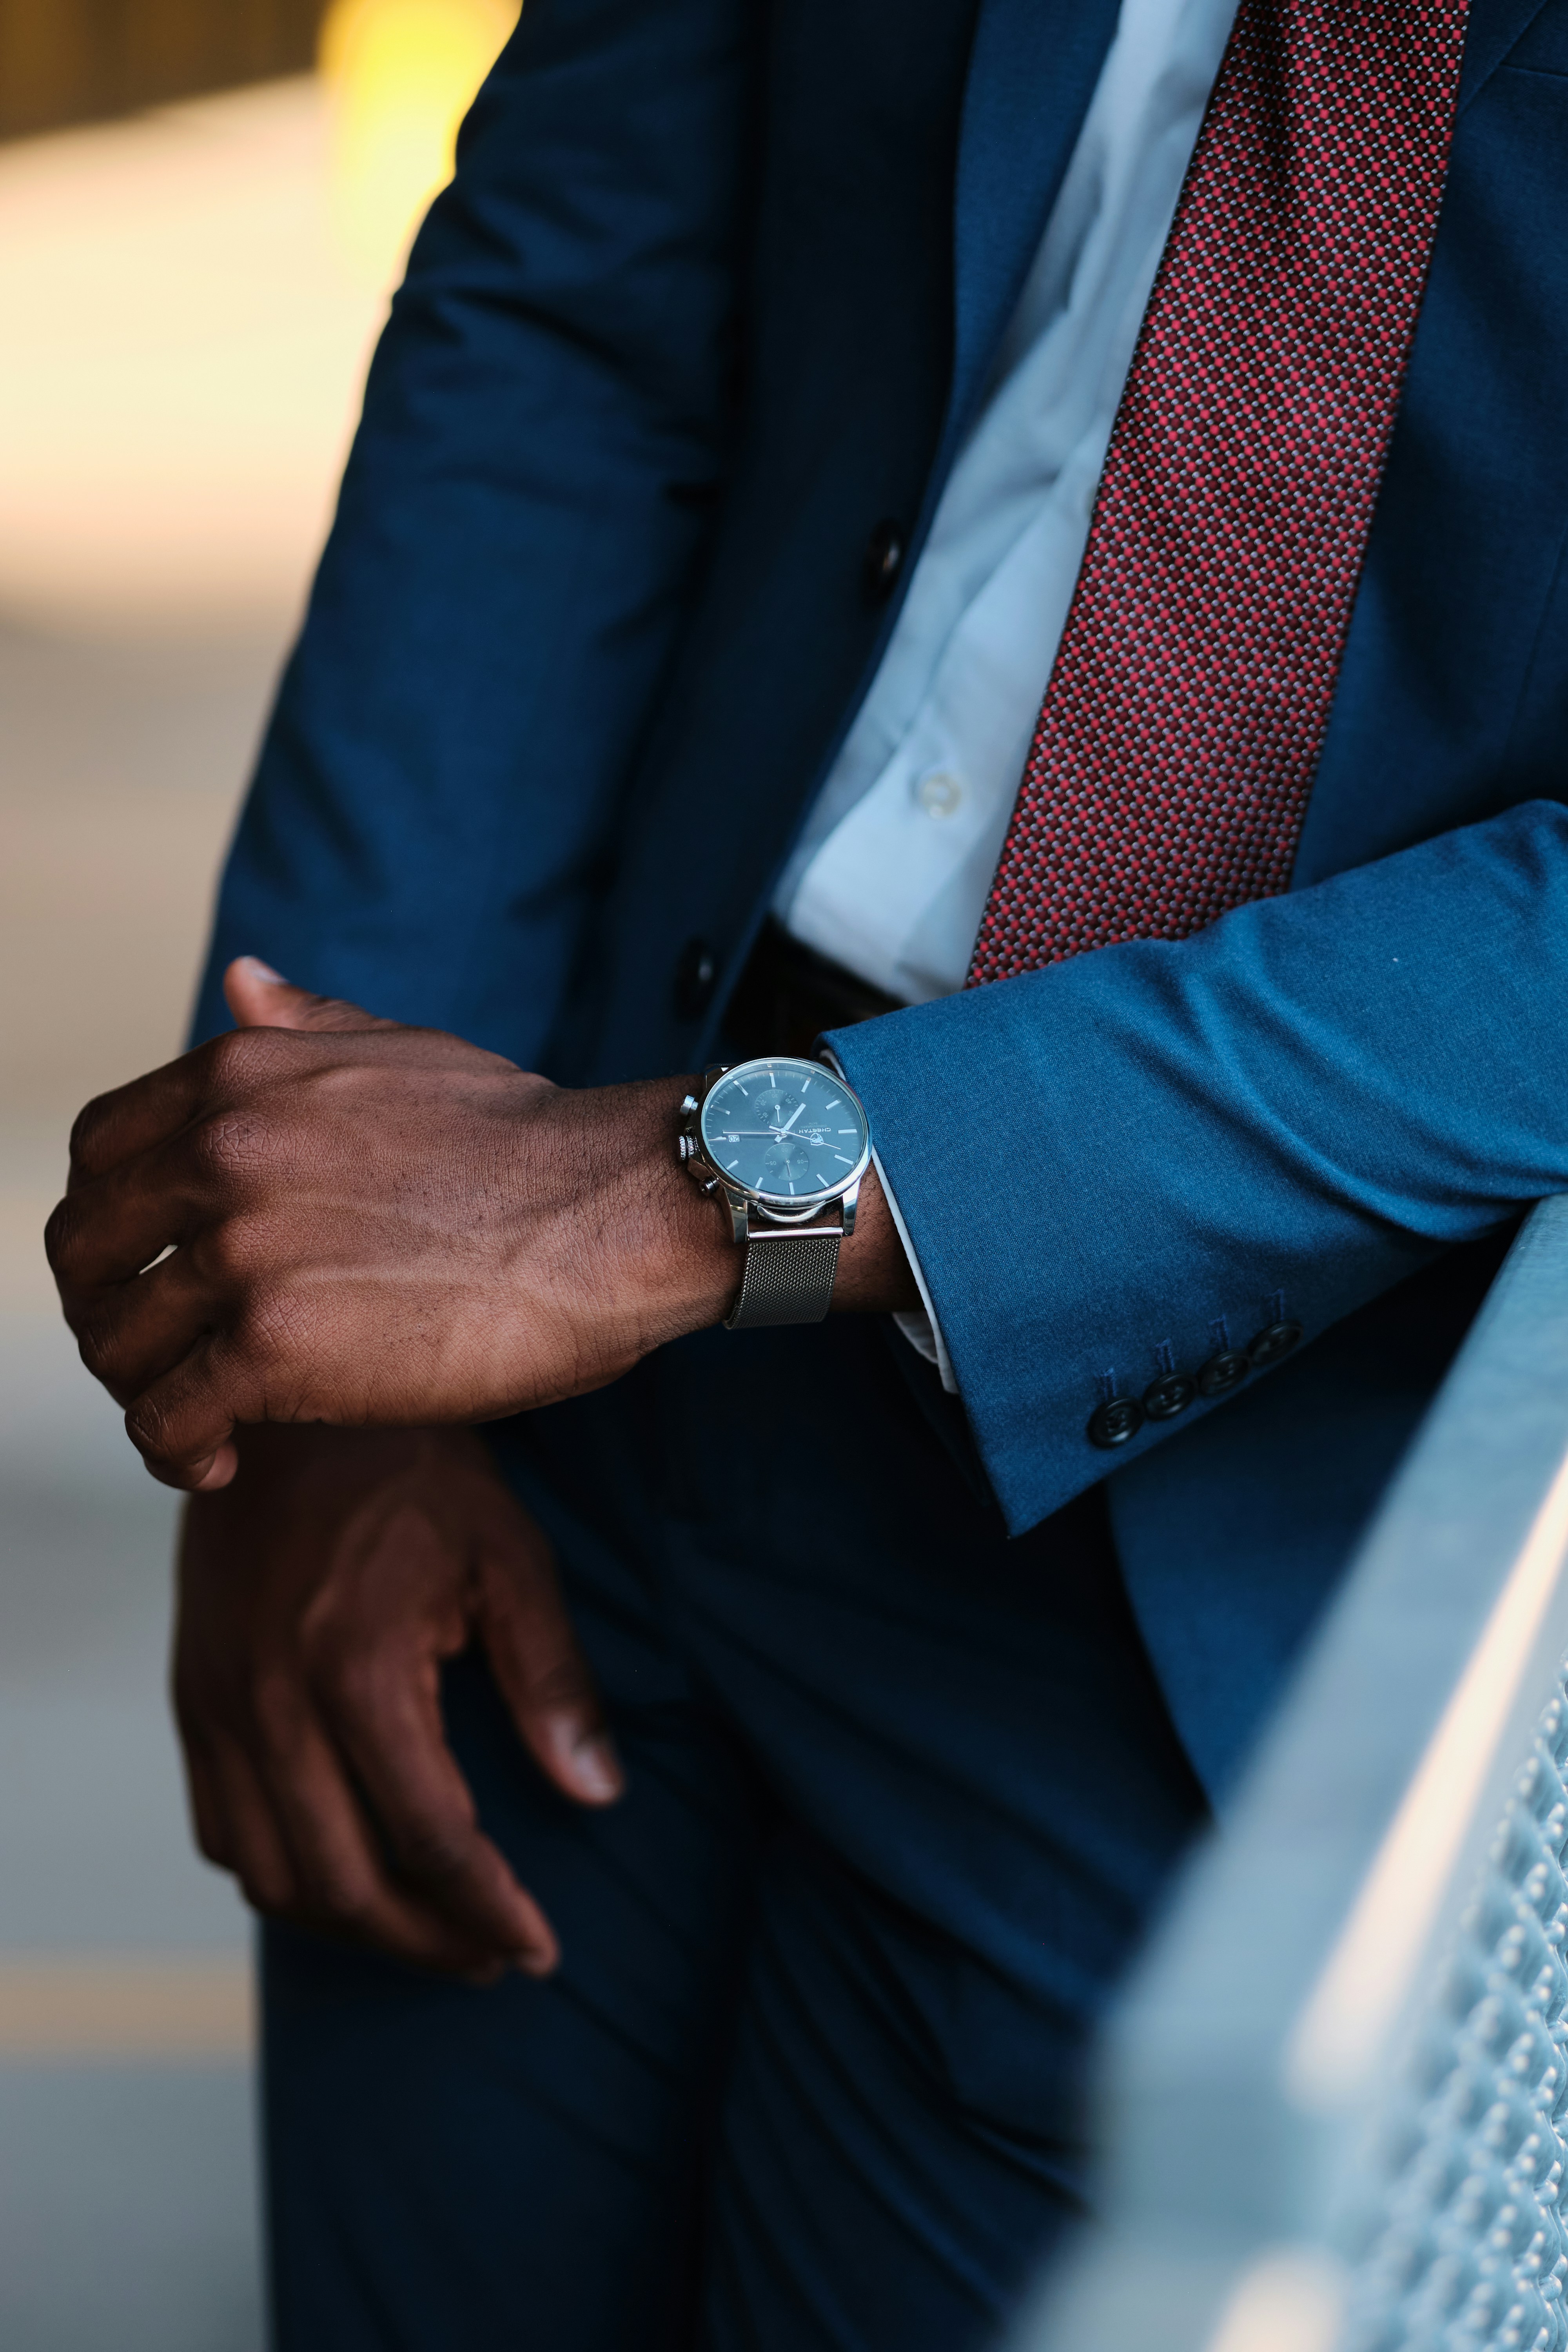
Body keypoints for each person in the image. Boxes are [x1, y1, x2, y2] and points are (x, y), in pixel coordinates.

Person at [45, 0, 1568, 2339]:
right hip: (532, 1265)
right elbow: (585, 295)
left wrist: (687, 1200)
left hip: (1272, 1478)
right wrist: (310, 1341)